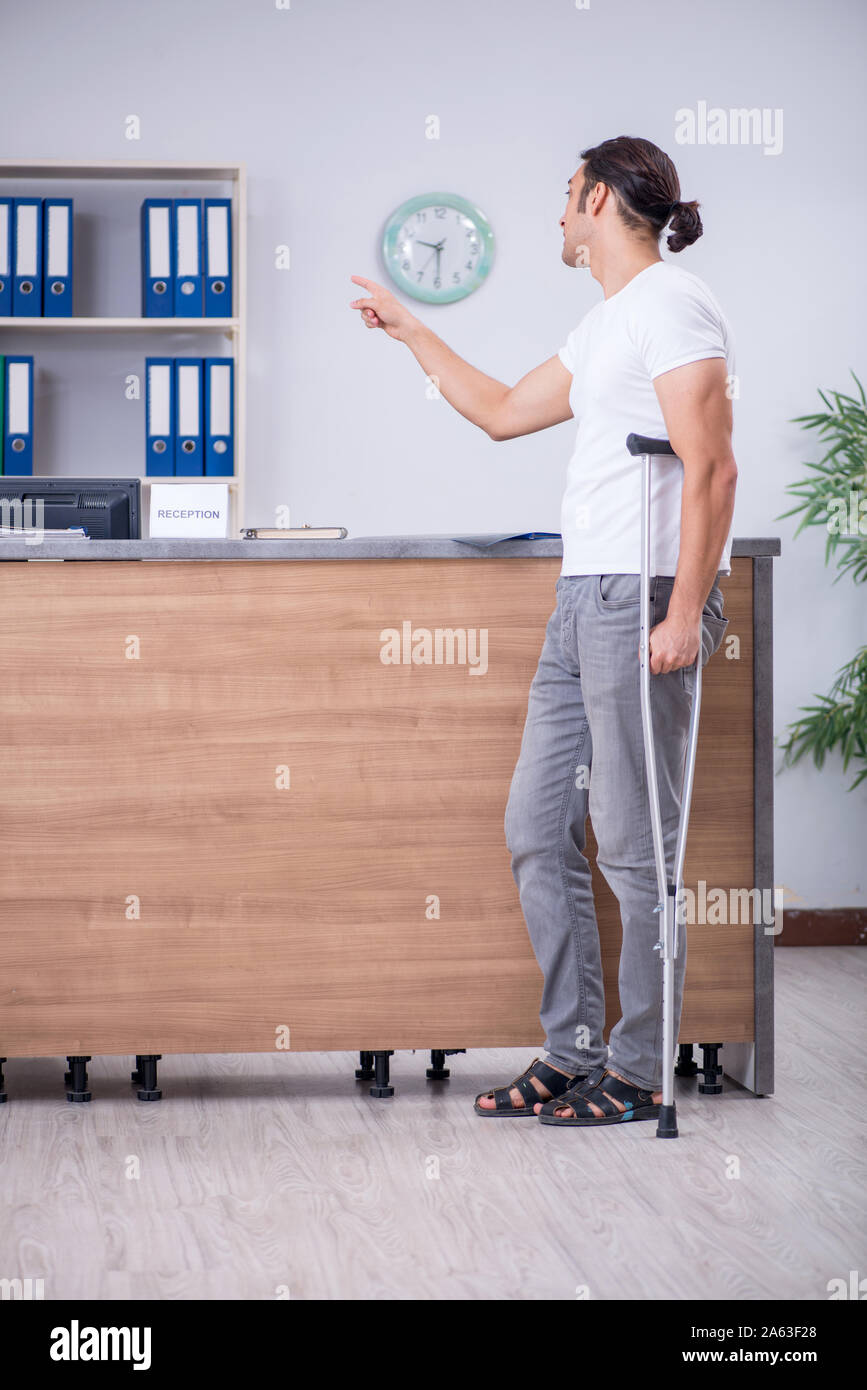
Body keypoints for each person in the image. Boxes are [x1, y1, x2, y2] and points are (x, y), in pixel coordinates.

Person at [349, 134, 736, 1131]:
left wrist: (685, 608)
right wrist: (409, 332)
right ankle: (574, 1050)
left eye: (568, 197)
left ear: (601, 199)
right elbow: (504, 412)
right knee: (535, 827)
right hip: (581, 598)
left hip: (642, 590)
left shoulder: (674, 304)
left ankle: (641, 1066)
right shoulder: (604, 322)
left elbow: (713, 468)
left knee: (635, 849)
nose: (559, 216)